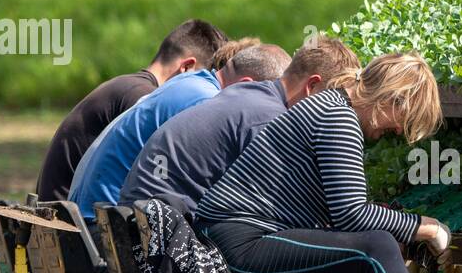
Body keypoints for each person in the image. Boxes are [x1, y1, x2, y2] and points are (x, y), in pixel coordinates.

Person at [195, 50, 461, 273]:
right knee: (376, 248)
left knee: (351, 263)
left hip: (232, 238)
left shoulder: (331, 106)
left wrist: (399, 224)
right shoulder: (338, 117)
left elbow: (341, 217)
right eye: (402, 121)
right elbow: (352, 216)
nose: (395, 131)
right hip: (241, 244)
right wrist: (428, 228)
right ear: (394, 99)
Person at [119, 35, 360, 216]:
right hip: (159, 236)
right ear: (312, 87)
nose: (333, 113)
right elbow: (273, 208)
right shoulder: (270, 120)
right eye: (331, 100)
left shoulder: (249, 91)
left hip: (140, 217)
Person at [68, 38, 280, 221]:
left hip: (95, 213)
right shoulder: (206, 101)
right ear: (245, 85)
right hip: (108, 223)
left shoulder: (190, 80)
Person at [34, 19, 230, 201]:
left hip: (59, 213)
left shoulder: (127, 86)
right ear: (187, 67)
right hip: (72, 222)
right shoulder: (142, 99)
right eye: (204, 78)